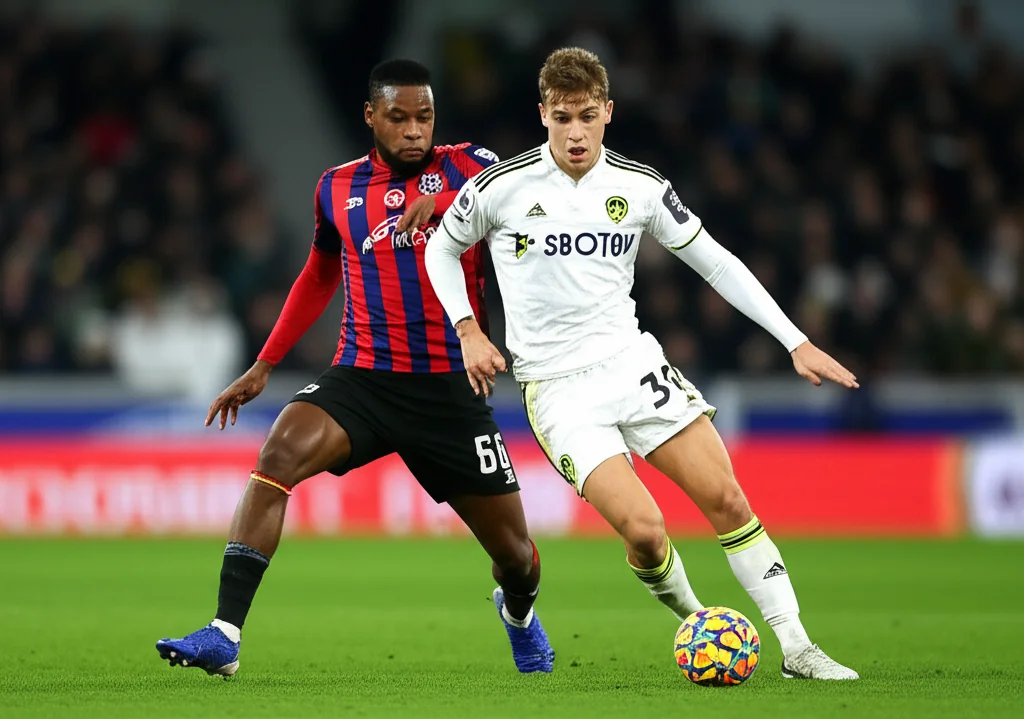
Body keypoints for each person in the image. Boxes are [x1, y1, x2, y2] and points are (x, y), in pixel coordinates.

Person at [424, 47, 858, 680]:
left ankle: (797, 648)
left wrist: (794, 340)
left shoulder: (641, 186)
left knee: (729, 499)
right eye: (563, 117)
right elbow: (441, 249)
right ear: (543, 114)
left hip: (631, 364)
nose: (576, 132)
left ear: (608, 113)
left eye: (588, 116)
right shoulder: (501, 189)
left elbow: (716, 262)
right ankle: (699, 620)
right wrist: (466, 328)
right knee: (647, 532)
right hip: (557, 390)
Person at [156, 59, 554, 676]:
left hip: (450, 387)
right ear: (371, 116)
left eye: (424, 117)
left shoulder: (472, 166)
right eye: (399, 118)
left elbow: (530, 193)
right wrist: (265, 364)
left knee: (518, 556)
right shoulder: (335, 188)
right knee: (277, 455)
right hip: (363, 377)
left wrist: (443, 200)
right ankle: (224, 633)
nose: (415, 130)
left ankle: (519, 614)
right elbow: (318, 275)